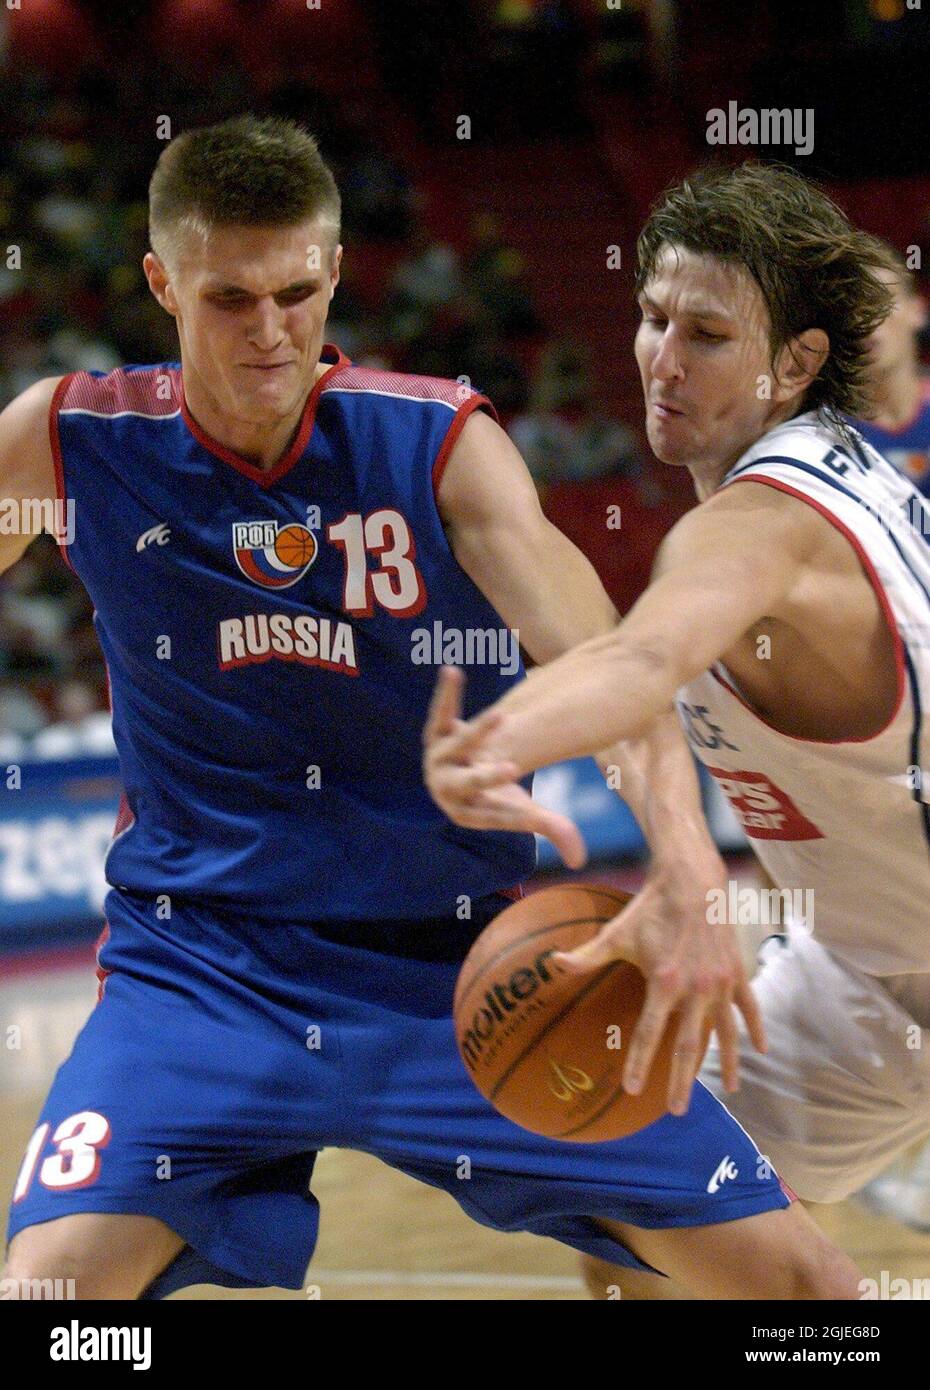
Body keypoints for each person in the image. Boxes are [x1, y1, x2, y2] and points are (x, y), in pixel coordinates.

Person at [2, 121, 855, 1301]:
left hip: (472, 972)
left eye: (297, 292)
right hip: (199, 973)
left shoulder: (441, 443)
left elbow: (615, 674)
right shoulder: (71, 441)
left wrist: (684, 868)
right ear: (160, 283)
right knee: (49, 1302)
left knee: (810, 1295)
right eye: (229, 298)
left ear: (339, 273)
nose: (270, 331)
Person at [424, 162, 930, 1299]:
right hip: (863, 971)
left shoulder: (763, 527)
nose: (661, 356)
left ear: (795, 362)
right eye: (654, 318)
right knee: (638, 1217)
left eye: (706, 333)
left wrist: (489, 746)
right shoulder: (828, 481)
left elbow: (639, 663)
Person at [852, 241, 930, 494]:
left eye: (881, 302)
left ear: (918, 311)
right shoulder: (819, 431)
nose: (865, 318)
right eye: (851, 306)